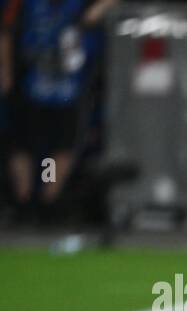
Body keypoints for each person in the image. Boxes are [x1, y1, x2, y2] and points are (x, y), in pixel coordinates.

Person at [0, 0, 117, 223]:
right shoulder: (23, 5)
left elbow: (95, 14)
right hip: (29, 80)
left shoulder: (78, 5)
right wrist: (6, 71)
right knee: (23, 145)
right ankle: (24, 203)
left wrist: (92, 14)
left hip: (67, 85)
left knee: (59, 146)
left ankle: (47, 201)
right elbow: (6, 31)